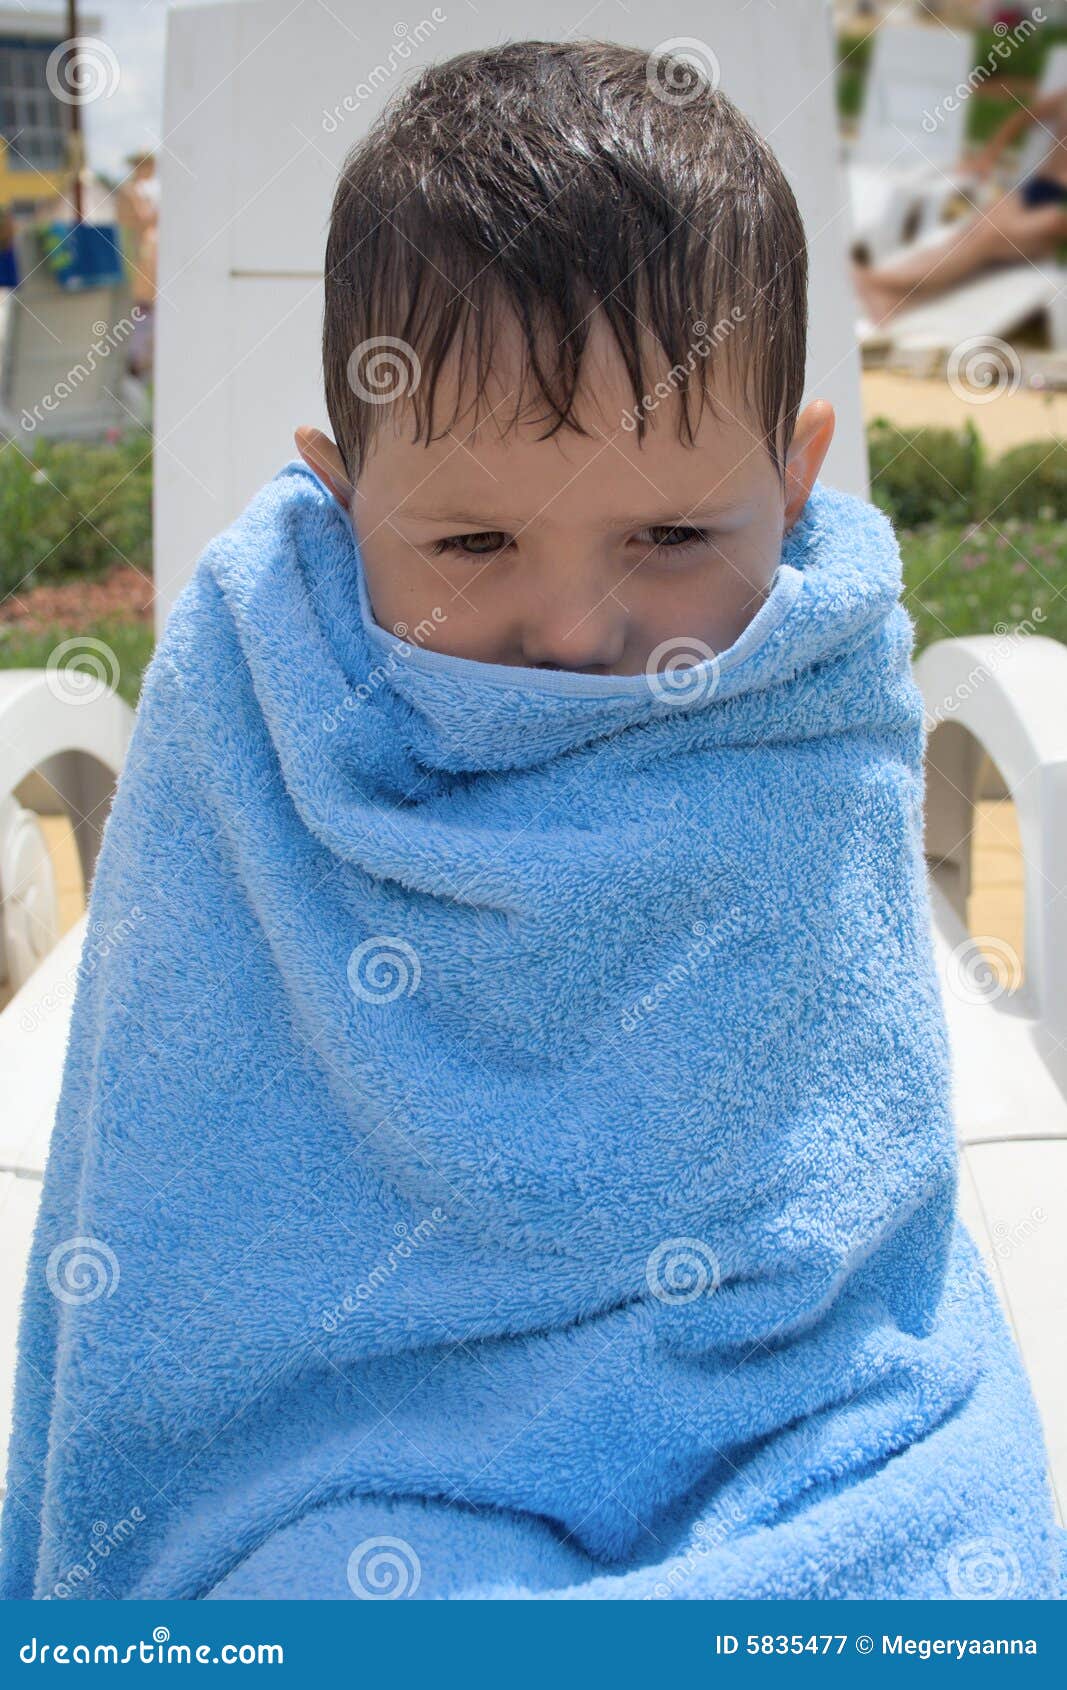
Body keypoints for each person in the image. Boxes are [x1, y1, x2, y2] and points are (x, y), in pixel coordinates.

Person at [1, 41, 1060, 1603]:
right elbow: (187, 1133)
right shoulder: (264, 683)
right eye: (474, 539)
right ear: (336, 488)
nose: (571, 629)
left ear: (796, 475)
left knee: (924, 1563)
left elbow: (828, 1134)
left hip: (785, 1404)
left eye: (673, 533)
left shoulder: (803, 688)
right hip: (360, 1437)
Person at [854, 82, 1067, 326]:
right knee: (971, 234)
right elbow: (1022, 117)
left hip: (1059, 213)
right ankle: (892, 301)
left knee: (987, 239)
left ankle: (878, 281)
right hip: (1039, 189)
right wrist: (987, 159)